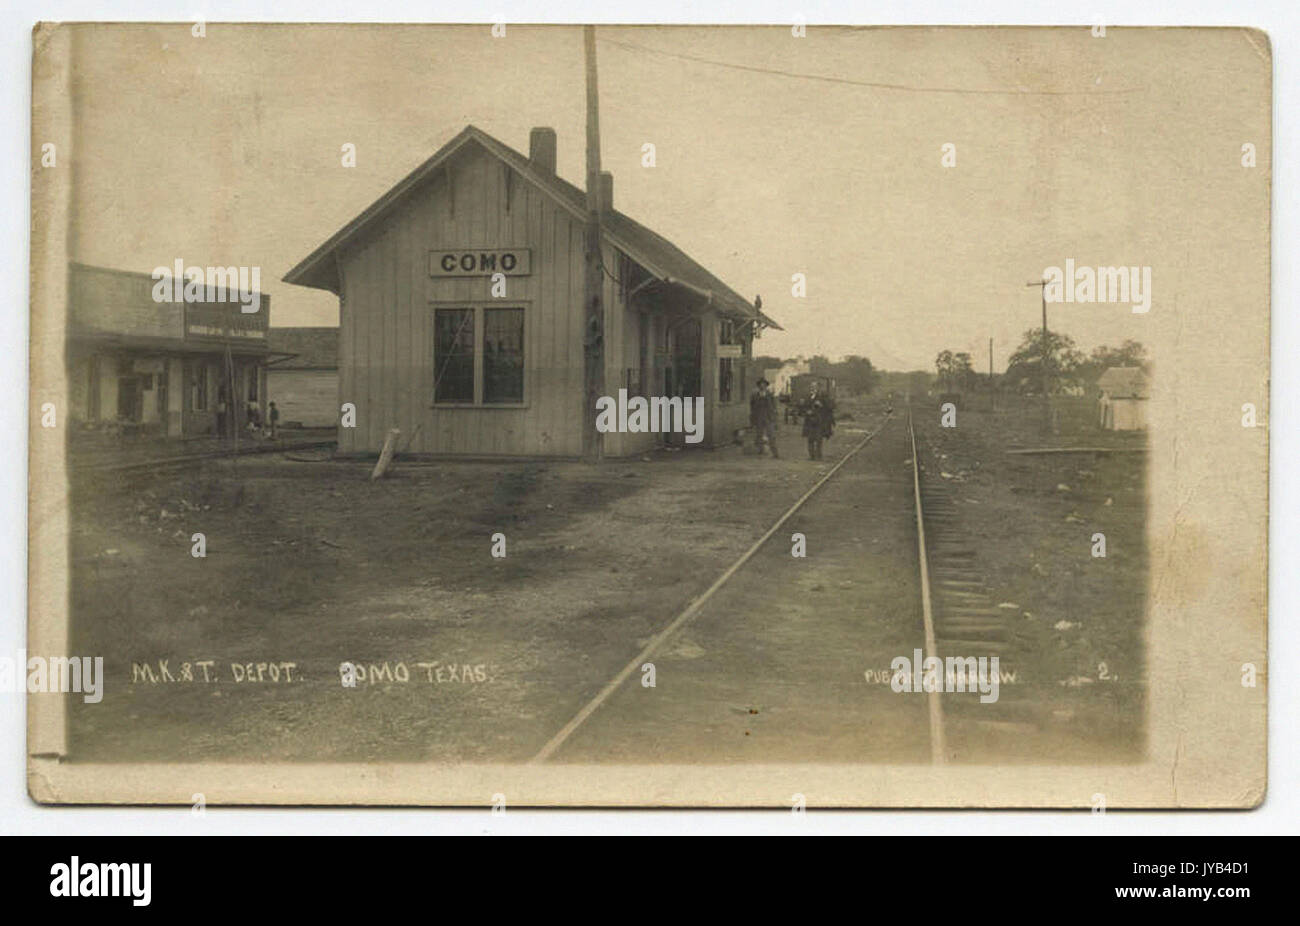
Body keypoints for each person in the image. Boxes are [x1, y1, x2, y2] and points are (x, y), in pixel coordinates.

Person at [802, 388, 834, 460]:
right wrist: (807, 411)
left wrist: (821, 405)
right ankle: (811, 456)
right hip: (809, 421)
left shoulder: (822, 398)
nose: (813, 390)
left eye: (815, 388)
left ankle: (818, 455)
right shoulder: (808, 398)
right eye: (812, 388)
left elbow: (829, 407)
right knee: (810, 439)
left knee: (818, 439)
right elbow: (803, 408)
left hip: (819, 422)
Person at [750, 378, 779, 457]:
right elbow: (752, 407)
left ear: (766, 386)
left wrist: (774, 419)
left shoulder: (770, 395)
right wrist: (753, 419)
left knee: (771, 435)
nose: (762, 386)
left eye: (764, 385)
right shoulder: (755, 396)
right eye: (761, 385)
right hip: (759, 418)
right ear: (759, 386)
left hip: (768, 418)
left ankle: (775, 452)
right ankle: (760, 450)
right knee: (759, 435)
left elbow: (773, 407)